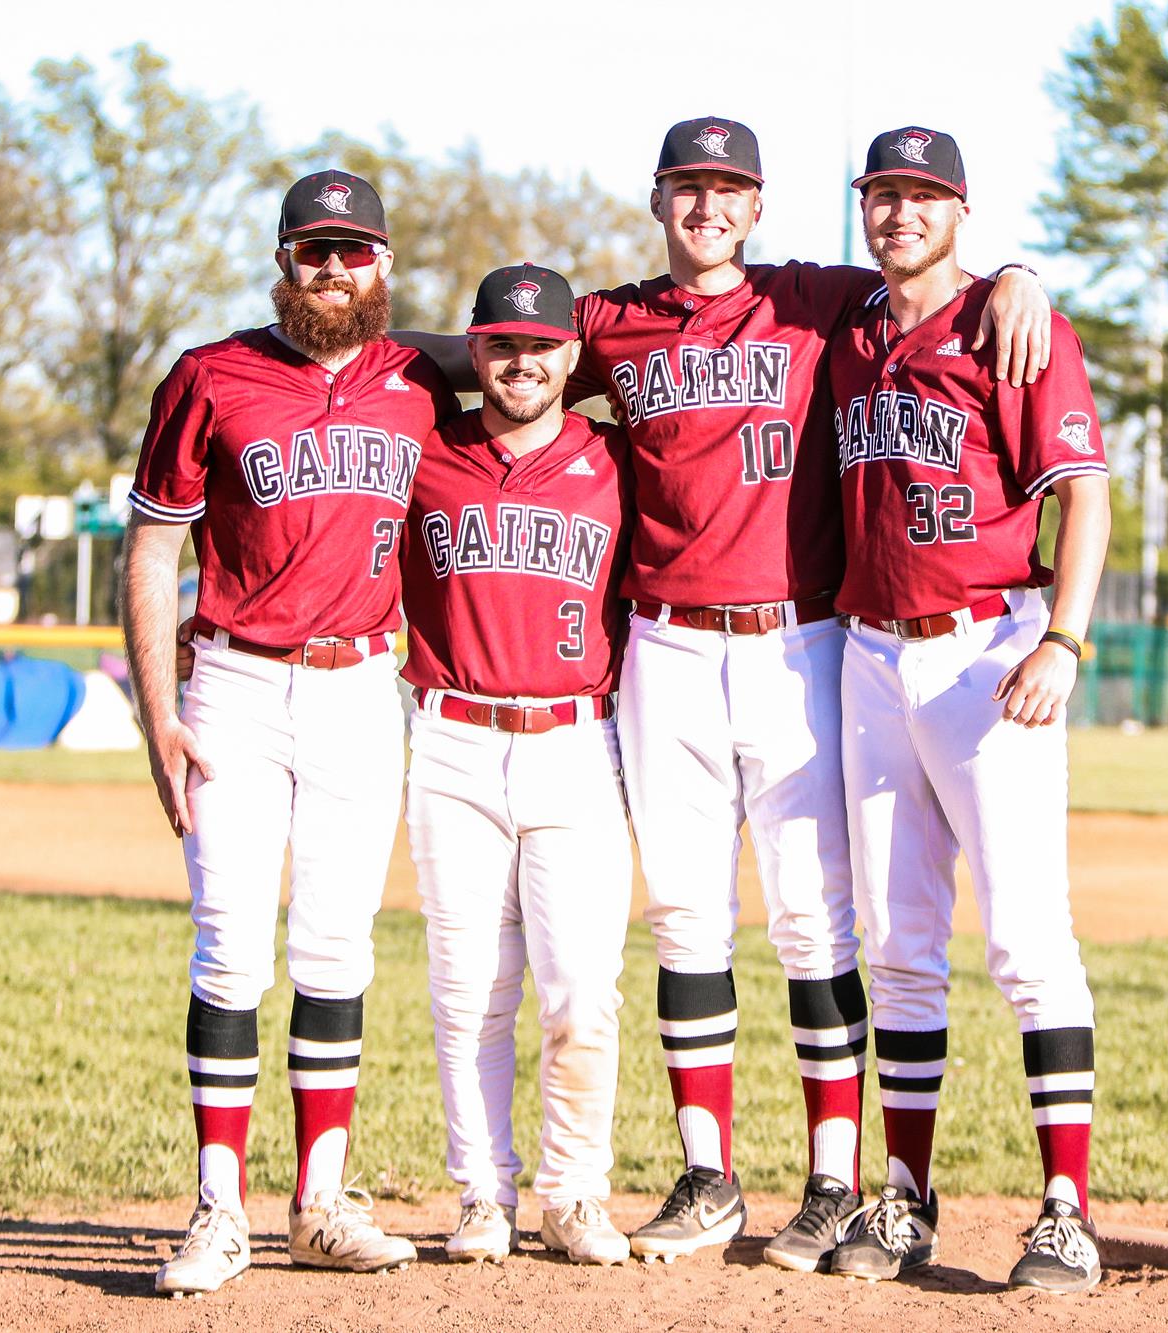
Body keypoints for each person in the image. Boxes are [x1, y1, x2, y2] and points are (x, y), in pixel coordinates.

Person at [398, 115, 1052, 1273]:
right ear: (658, 200)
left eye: (728, 187)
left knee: (811, 917)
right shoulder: (610, 320)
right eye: (687, 186)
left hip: (797, 641)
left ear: (756, 205)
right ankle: (705, 1174)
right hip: (664, 646)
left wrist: (1020, 276)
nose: (707, 206)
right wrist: (352, 355)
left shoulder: (814, 301)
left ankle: (831, 1183)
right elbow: (492, 349)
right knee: (687, 915)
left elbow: (933, 283)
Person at [120, 169, 456, 1298]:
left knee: (336, 946)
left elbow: (542, 350)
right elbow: (153, 547)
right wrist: (157, 711)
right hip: (234, 686)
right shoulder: (210, 376)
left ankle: (320, 1201)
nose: (334, 270)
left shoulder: (417, 378)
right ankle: (220, 1207)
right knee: (227, 943)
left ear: (384, 265)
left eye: (354, 251)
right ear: (282, 261)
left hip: (364, 686)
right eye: (314, 251)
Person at [823, 127, 1111, 1294]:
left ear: (959, 210)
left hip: (989, 648)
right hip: (867, 659)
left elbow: (1083, 494)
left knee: (1025, 940)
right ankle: (904, 1197)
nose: (898, 214)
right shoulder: (845, 332)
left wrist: (1063, 637)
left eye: (920, 197)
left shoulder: (1010, 325)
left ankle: (1065, 1207)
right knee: (897, 947)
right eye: (881, 196)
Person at [400, 264, 636, 1267]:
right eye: (499, 344)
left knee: (580, 990)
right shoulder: (422, 449)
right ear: (473, 349)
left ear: (571, 355)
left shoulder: (617, 457)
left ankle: (574, 1190)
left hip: (576, 740)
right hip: (450, 738)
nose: (520, 362)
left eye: (541, 344)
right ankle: (481, 1195)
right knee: (467, 991)